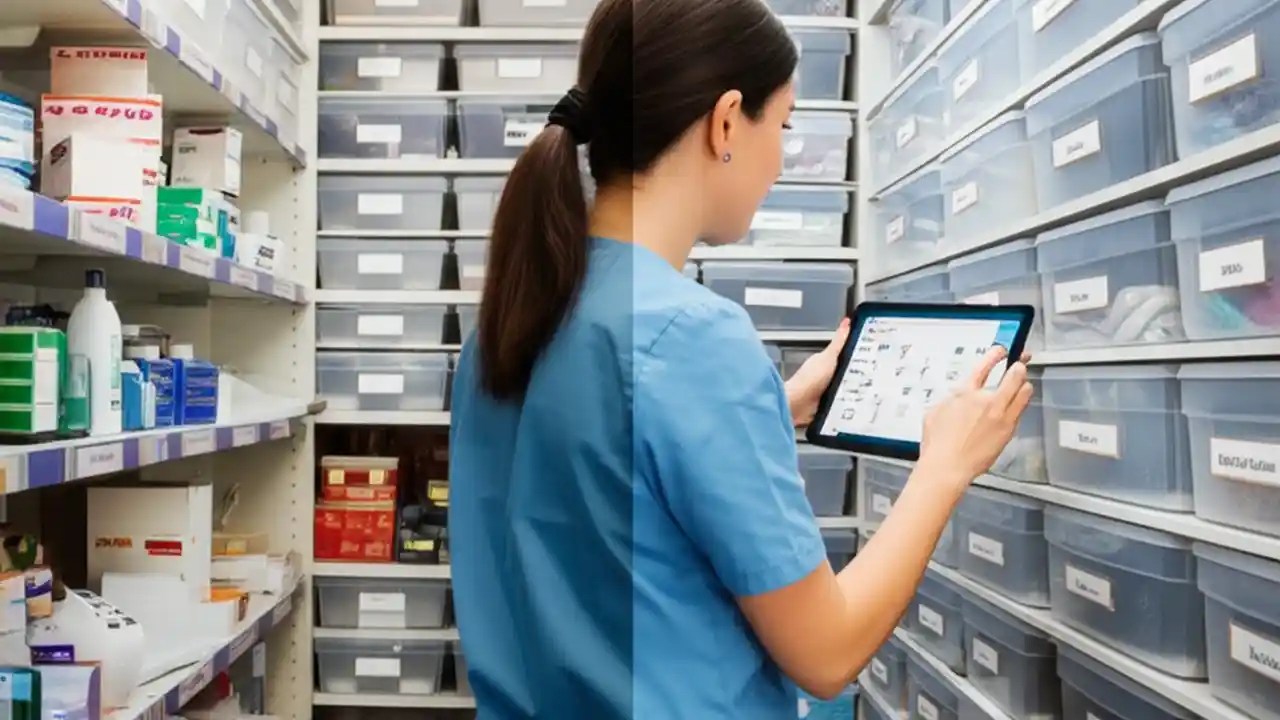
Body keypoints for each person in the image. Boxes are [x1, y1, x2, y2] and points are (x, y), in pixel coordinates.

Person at [447, 0, 1034, 717]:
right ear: (726, 122)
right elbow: (828, 652)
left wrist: (770, 409)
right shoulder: (692, 340)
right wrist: (946, 466)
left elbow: (593, 486)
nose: (783, 160)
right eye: (782, 125)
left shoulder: (504, 328)